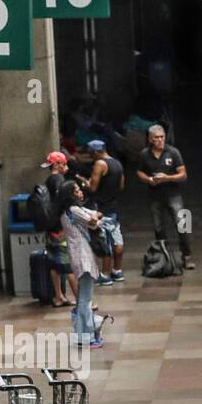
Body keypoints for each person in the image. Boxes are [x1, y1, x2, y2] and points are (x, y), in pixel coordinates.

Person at [137, 125, 194, 270]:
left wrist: (167, 178)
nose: (160, 140)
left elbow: (183, 174)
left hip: (174, 195)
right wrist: (149, 179)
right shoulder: (144, 154)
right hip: (155, 196)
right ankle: (163, 258)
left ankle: (187, 255)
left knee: (183, 224)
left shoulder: (173, 152)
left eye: (162, 137)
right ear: (150, 139)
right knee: (158, 227)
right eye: (156, 138)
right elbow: (139, 172)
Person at [57, 180, 105, 349]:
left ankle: (80, 334)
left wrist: (94, 216)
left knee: (83, 298)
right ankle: (89, 336)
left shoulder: (67, 212)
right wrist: (95, 219)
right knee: (86, 298)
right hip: (84, 257)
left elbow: (94, 214)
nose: (80, 192)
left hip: (77, 255)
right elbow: (94, 221)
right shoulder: (74, 210)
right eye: (76, 190)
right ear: (70, 195)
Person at [85, 140, 126, 284]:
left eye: (90, 153)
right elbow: (121, 186)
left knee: (104, 242)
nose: (90, 156)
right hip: (113, 207)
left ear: (96, 152)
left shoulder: (100, 164)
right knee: (117, 239)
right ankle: (117, 271)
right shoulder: (117, 163)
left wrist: (85, 182)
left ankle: (105, 274)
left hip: (101, 209)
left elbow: (92, 188)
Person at [42, 151, 77, 306]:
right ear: (56, 165)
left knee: (54, 263)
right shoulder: (58, 180)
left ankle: (58, 296)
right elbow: (62, 202)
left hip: (50, 227)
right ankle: (83, 301)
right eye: (64, 163)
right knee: (68, 265)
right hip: (59, 228)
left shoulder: (49, 180)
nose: (66, 167)